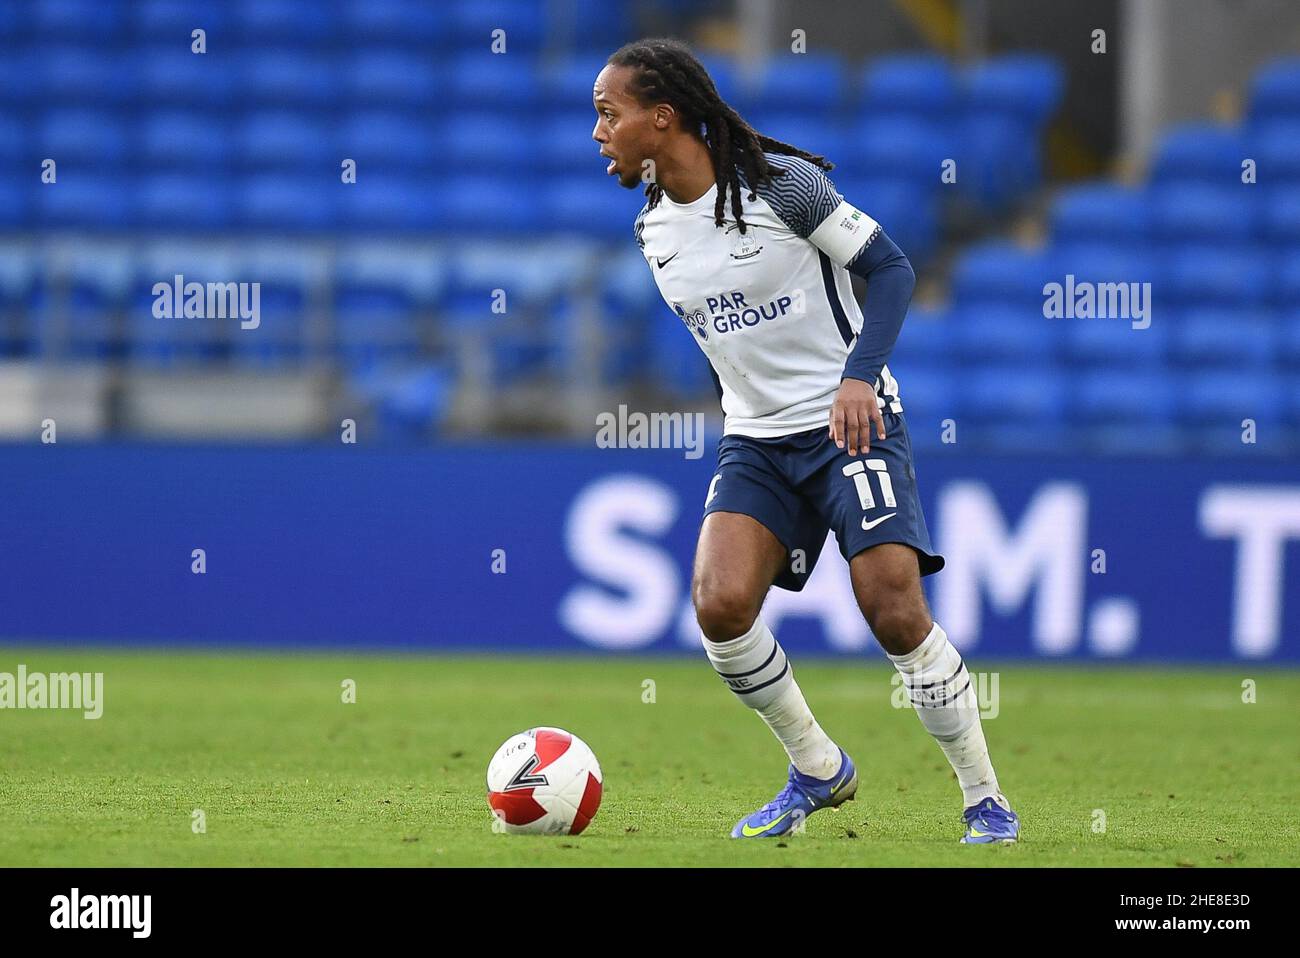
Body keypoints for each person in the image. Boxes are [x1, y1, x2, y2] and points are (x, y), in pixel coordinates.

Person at [592, 37, 1020, 844]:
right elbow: (731, 345)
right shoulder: (651, 229)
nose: (598, 132)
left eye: (608, 115)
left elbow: (891, 269)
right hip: (757, 441)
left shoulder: (782, 187)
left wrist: (861, 378)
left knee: (892, 609)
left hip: (849, 420)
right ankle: (818, 768)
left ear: (663, 116)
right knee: (719, 606)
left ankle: (984, 798)